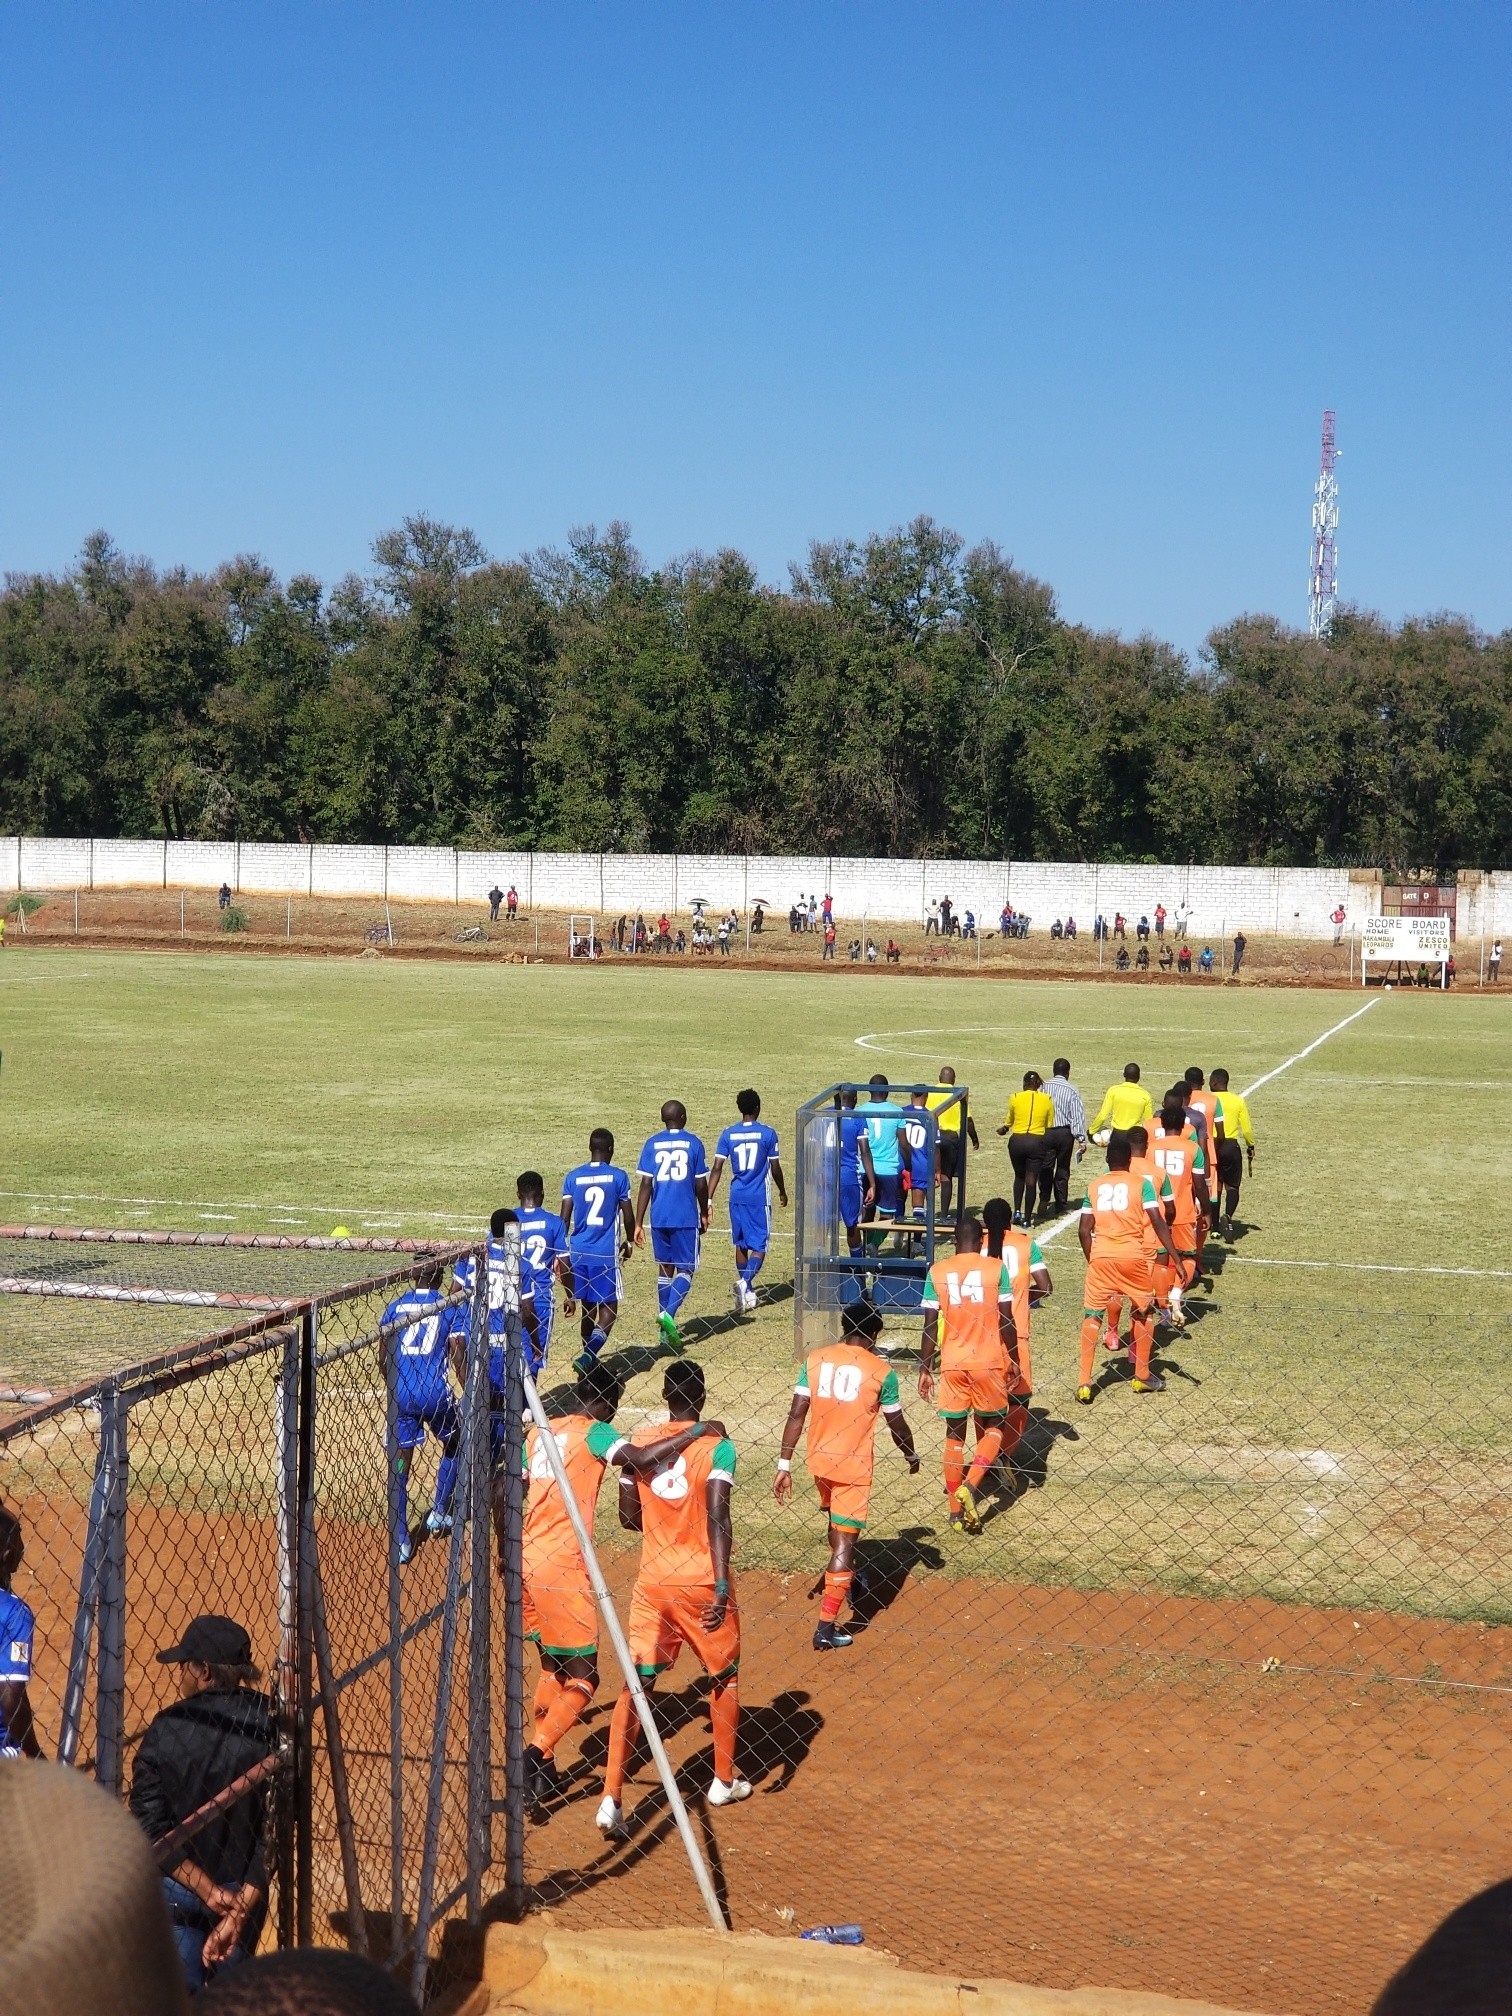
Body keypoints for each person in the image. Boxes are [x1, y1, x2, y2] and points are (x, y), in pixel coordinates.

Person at [520, 1361, 727, 1808]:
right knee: (584, 1677)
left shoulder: (538, 1432)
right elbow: (641, 1458)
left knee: (552, 1666)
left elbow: (511, 1492)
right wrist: (699, 1431)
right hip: (563, 1565)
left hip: (525, 1559)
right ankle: (532, 1756)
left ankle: (545, 1769)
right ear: (606, 1404)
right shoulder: (595, 1432)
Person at [598, 1362, 746, 1835]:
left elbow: (627, 1518)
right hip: (702, 1579)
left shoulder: (640, 1443)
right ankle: (722, 1779)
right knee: (724, 1675)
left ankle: (611, 1798)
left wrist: (661, 1523)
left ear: (665, 1394)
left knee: (637, 1684)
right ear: (702, 1395)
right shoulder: (717, 1447)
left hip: (653, 1581)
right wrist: (721, 1585)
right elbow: (718, 1516)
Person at [129, 1616, 276, 1994]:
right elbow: (275, 1830)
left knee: (179, 1998)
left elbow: (149, 1829)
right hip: (246, 1890)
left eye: (185, 1666)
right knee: (233, 1999)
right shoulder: (272, 1722)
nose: (181, 1675)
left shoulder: (165, 1728)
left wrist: (208, 1892)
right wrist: (239, 1905)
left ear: (204, 1671)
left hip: (181, 1889)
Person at [776, 1299, 919, 1648]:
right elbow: (896, 1424)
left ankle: (847, 1577)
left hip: (818, 1461)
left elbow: (797, 1414)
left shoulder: (815, 1359)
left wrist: (784, 1463)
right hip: (852, 1467)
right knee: (844, 1541)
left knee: (834, 1523)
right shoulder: (881, 1372)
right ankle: (826, 1627)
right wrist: (910, 1453)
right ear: (873, 1333)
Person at [917, 1215, 1014, 1534]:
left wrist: (924, 1366)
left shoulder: (938, 1271)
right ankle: (971, 1487)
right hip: (987, 1360)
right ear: (982, 1241)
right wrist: (1012, 1357)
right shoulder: (996, 1269)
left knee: (954, 1435)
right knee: (994, 1427)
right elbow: (1006, 1319)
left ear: (955, 1242)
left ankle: (955, 1513)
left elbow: (930, 1324)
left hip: (953, 1364)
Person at [1075, 1138, 1182, 1404]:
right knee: (1144, 1310)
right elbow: (1157, 1221)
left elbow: (1083, 1230)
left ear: (1107, 1159)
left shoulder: (1095, 1185)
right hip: (1133, 1255)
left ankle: (1084, 1382)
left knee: (1092, 1313)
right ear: (1129, 1162)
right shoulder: (1141, 1185)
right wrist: (1176, 1258)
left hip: (1101, 1255)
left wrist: (1094, 1259)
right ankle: (1142, 1375)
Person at [378, 1262, 461, 1564]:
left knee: (400, 1465)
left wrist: (396, 1389)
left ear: (413, 1276)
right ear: (440, 1277)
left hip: (401, 1395)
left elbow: (383, 1356)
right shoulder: (446, 1306)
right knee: (456, 1440)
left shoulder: (395, 1307)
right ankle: (439, 1511)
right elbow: (457, 1351)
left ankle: (401, 1540)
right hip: (435, 1394)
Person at [634, 1100, 710, 1351]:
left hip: (659, 1218)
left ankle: (664, 1335)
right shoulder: (694, 1143)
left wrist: (638, 1222)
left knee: (665, 1271)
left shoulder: (652, 1144)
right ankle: (668, 1314)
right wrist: (704, 1210)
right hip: (685, 1217)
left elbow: (646, 1185)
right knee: (686, 1270)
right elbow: (700, 1184)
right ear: (684, 1117)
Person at [561, 1129, 635, 1371]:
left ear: (589, 1148)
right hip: (604, 1254)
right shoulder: (618, 1177)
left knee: (588, 1309)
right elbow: (628, 1215)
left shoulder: (573, 1178)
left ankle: (588, 1359)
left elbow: (564, 1219)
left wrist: (562, 1253)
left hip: (578, 1252)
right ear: (611, 1149)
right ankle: (589, 1355)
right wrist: (630, 1241)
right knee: (609, 1310)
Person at [709, 1089, 788, 1313]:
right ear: (757, 1108)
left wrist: (708, 1198)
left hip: (736, 1196)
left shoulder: (728, 1134)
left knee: (741, 1243)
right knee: (760, 1245)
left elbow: (717, 1168)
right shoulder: (767, 1134)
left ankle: (748, 1292)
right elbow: (775, 1167)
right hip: (758, 1197)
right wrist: (782, 1190)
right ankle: (745, 1283)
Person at [1151, 1096, 1210, 1325]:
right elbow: (1199, 1183)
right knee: (1188, 1256)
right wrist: (1206, 1211)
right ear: (1184, 1123)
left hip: (1156, 1212)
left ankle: (1163, 1308)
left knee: (1161, 1260)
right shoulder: (1192, 1148)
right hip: (1183, 1211)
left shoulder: (1150, 1149)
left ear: (1162, 1123)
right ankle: (1177, 1291)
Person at [512, 1177, 569, 1378]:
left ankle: (507, 1407)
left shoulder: (506, 1220)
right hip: (541, 1300)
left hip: (510, 1298)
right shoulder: (555, 1223)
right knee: (534, 1357)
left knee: (507, 1356)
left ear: (518, 1194)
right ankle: (527, 1408)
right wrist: (570, 1295)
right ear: (542, 1194)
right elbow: (565, 1263)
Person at [0, 1505, 41, 1758]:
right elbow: (9, 1696)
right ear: (7, 1556)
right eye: (18, 1538)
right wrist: (36, 1754)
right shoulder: (14, 1613)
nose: (23, 1548)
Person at [997, 1069, 1053, 1225]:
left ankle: (1016, 1212)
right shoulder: (1047, 1099)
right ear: (1038, 1084)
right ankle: (1028, 1219)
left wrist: (1005, 1128)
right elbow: (1049, 1123)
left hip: (1017, 1141)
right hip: (1036, 1142)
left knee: (1019, 1176)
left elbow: (1010, 1120)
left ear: (1024, 1083)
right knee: (1031, 1180)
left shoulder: (1014, 1097)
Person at [855, 1074, 907, 1233]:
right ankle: (874, 1244)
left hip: (864, 1169)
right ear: (888, 1092)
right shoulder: (897, 1112)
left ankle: (864, 1247)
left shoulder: (859, 1111)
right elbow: (904, 1144)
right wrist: (909, 1165)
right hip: (888, 1169)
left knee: (867, 1210)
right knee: (887, 1214)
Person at [926, 1065, 979, 1218]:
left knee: (931, 1175)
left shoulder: (930, 1092)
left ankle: (927, 1212)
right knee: (946, 1177)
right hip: (950, 1138)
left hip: (934, 1135)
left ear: (939, 1078)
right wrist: (974, 1139)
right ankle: (943, 1214)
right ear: (953, 1080)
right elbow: (968, 1120)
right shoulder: (958, 1094)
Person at [1208, 1068, 1255, 1235]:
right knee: (1232, 1186)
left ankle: (1214, 1228)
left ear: (1213, 1082)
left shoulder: (1209, 1100)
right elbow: (1247, 1130)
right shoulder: (1238, 1100)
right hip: (1230, 1146)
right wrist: (1251, 1145)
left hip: (1212, 1145)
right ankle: (1227, 1216)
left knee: (1216, 1187)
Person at [1040, 1058, 1088, 1215]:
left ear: (1053, 1070)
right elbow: (1077, 1116)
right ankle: (1061, 1203)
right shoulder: (1072, 1090)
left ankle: (1044, 1199)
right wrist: (1081, 1139)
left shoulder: (1043, 1087)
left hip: (1046, 1132)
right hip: (1064, 1134)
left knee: (1046, 1166)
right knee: (1062, 1168)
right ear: (1068, 1072)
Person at [836, 1087, 877, 1267]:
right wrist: (873, 1184)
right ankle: (857, 1268)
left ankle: (823, 1270)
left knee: (823, 1223)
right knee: (852, 1224)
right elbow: (865, 1151)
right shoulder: (858, 1119)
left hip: (824, 1176)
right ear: (854, 1099)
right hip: (848, 1177)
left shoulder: (826, 1115)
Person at [1090, 1062, 1153, 1142]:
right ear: (1139, 1076)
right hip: (1134, 1137)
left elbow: (1103, 1116)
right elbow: (1149, 1121)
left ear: (1124, 1075)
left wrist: (1092, 1131)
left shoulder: (1113, 1091)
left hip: (1117, 1136)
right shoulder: (1145, 1095)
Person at [900, 1087, 936, 1223]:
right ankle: (916, 1242)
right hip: (921, 1165)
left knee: (899, 1198)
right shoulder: (931, 1116)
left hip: (902, 1163)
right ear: (926, 1097)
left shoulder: (901, 1112)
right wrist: (937, 1170)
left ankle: (899, 1232)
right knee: (918, 1205)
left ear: (911, 1095)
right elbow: (935, 1146)